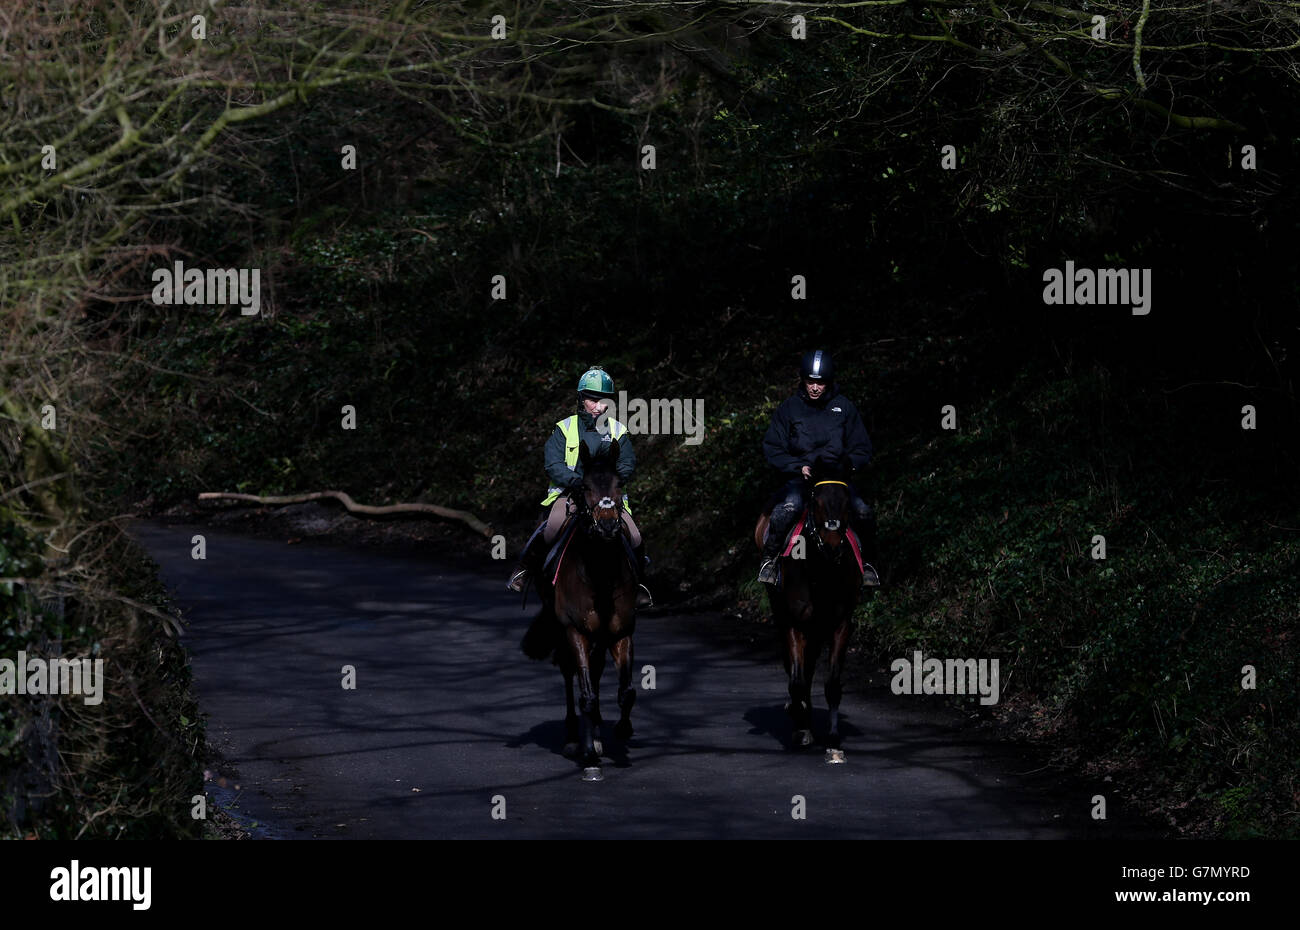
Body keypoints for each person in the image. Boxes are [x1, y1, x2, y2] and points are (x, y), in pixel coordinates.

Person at [507, 366, 653, 607]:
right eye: (592, 399)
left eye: (603, 401)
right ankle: (524, 570)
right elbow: (553, 464)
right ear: (581, 399)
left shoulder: (618, 431)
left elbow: (627, 463)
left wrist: (611, 482)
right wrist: (578, 482)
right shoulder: (564, 428)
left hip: (608, 498)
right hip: (571, 495)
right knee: (551, 527)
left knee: (635, 536)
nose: (597, 406)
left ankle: (639, 585)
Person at [757, 349, 881, 587]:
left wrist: (848, 466)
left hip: (836, 480)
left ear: (829, 382)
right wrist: (797, 467)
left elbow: (862, 447)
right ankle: (769, 561)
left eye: (820, 383)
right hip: (801, 478)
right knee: (788, 509)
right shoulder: (788, 409)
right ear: (803, 380)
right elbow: (773, 447)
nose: (815, 388)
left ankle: (869, 565)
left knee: (863, 511)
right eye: (810, 382)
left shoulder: (844, 408)